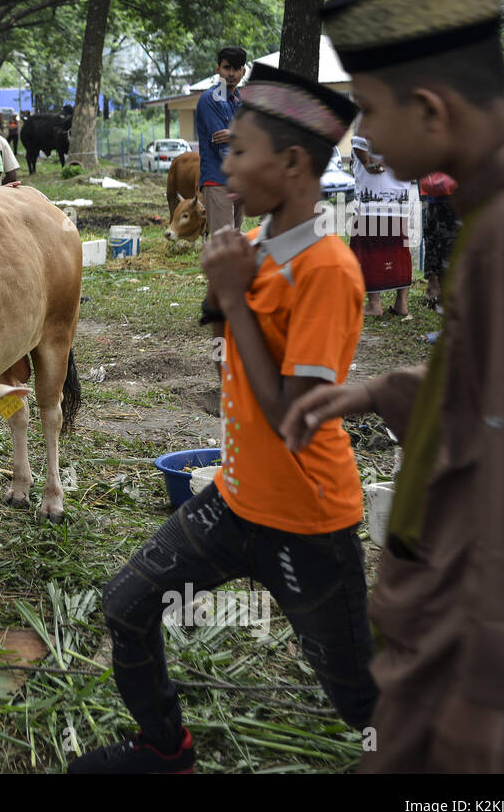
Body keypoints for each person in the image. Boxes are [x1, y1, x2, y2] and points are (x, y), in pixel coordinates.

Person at [284, 0, 504, 774]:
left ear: (432, 109)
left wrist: (490, 688)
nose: (365, 135)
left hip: (472, 648)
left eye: (371, 110)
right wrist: (382, 390)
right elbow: (502, 393)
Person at [71, 63, 374, 774]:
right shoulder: (258, 245)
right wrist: (223, 292)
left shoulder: (328, 269)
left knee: (359, 696)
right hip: (236, 502)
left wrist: (234, 297)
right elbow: (227, 346)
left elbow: (295, 417)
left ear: (292, 163)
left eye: (240, 149)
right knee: (127, 604)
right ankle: (166, 748)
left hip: (308, 522)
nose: (224, 161)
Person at [350, 134, 413, 317]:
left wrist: (371, 163)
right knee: (400, 250)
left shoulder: (372, 119)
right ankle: (401, 303)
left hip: (373, 198)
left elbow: (360, 145)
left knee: (370, 251)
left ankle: (374, 304)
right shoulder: (410, 122)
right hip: (399, 196)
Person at [196, 46, 248, 239]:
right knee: (224, 242)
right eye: (227, 68)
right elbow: (223, 147)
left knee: (234, 239)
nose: (231, 74)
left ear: (243, 72)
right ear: (218, 69)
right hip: (217, 180)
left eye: (236, 69)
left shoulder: (241, 101)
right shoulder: (209, 100)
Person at [419, 171, 459, 313]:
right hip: (437, 194)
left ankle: (443, 291)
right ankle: (436, 287)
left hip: (454, 195)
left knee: (446, 243)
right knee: (435, 239)